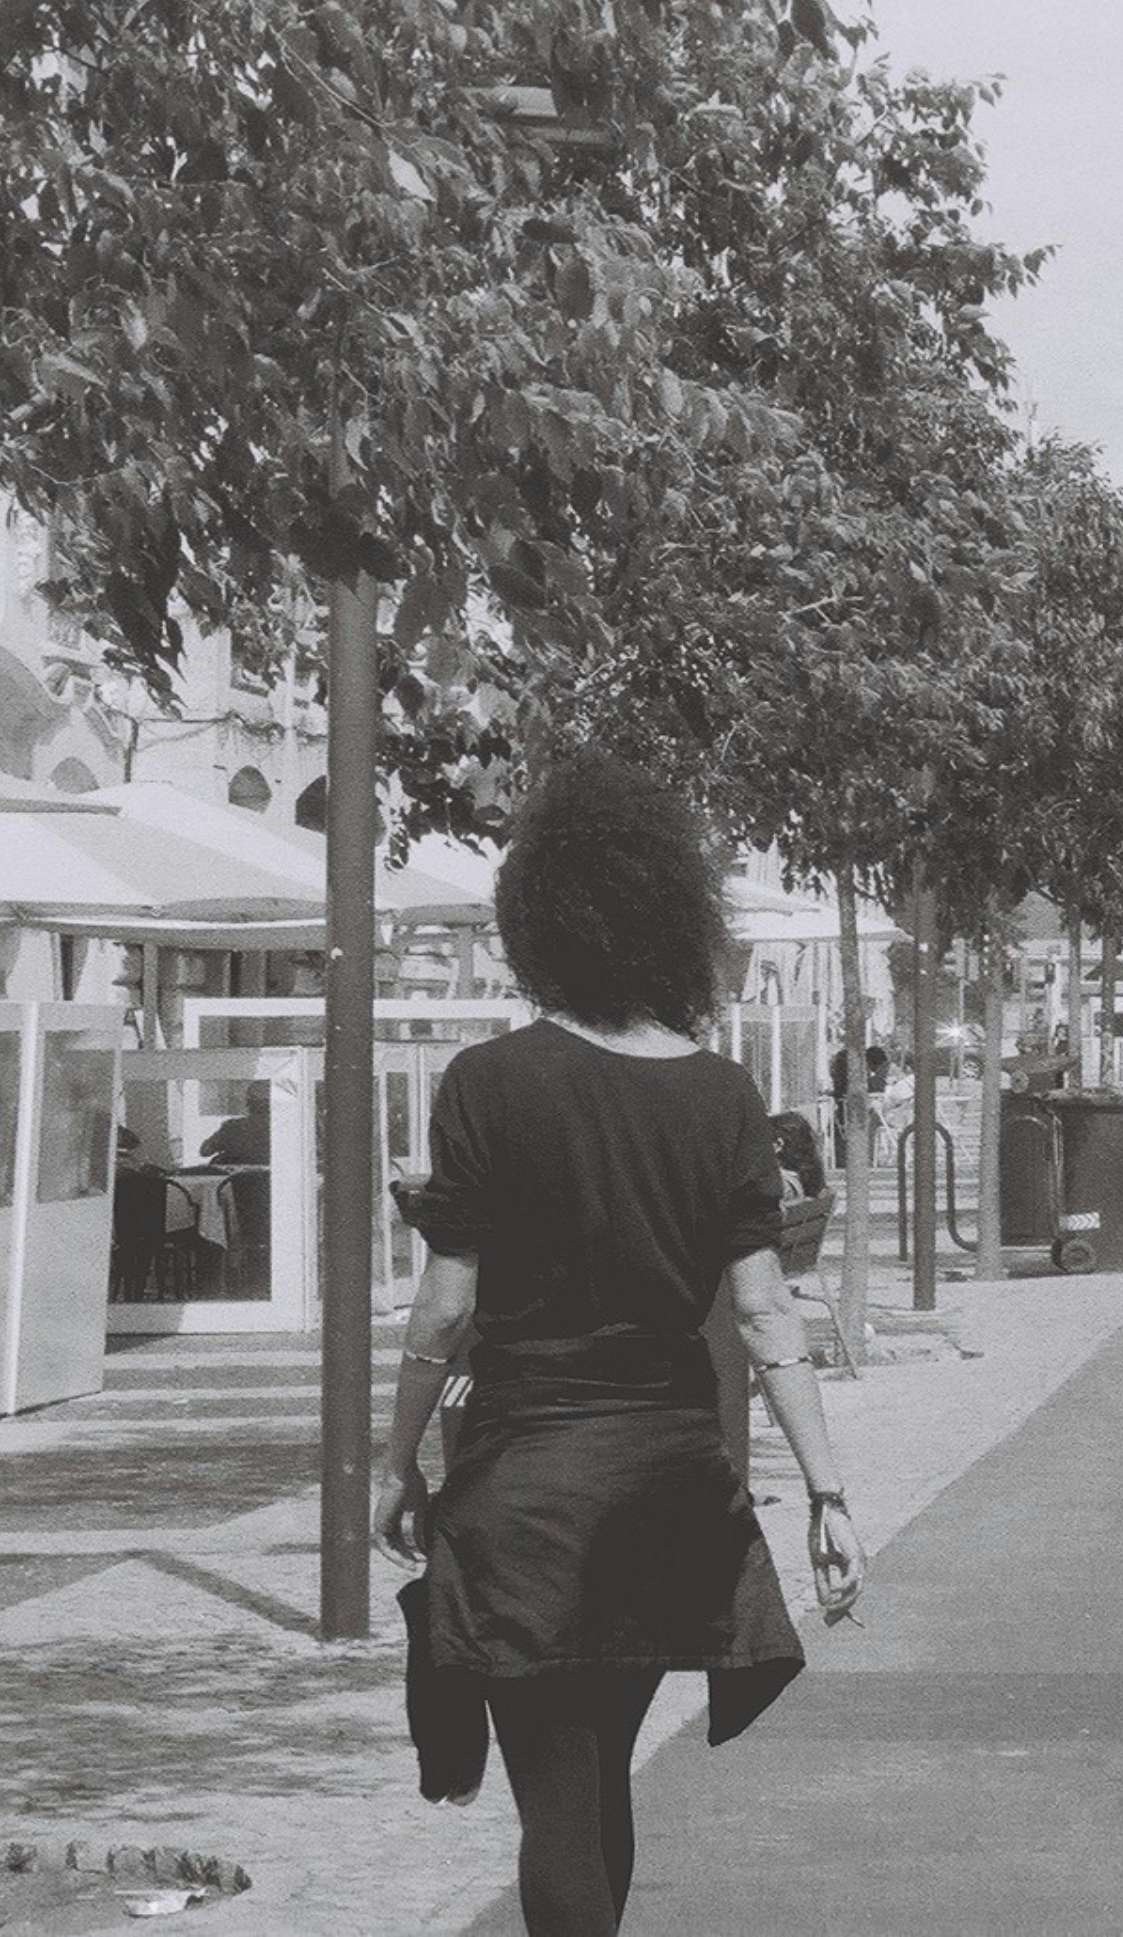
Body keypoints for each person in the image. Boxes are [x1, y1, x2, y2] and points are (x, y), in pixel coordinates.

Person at [377, 756, 859, 1937]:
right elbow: (763, 1313)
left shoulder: (489, 1081)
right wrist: (827, 1488)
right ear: (671, 923)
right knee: (603, 1772)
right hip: (667, 1479)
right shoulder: (723, 1095)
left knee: (554, 1795)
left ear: (539, 916)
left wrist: (395, 1459)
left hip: (527, 1482)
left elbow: (444, 1308)